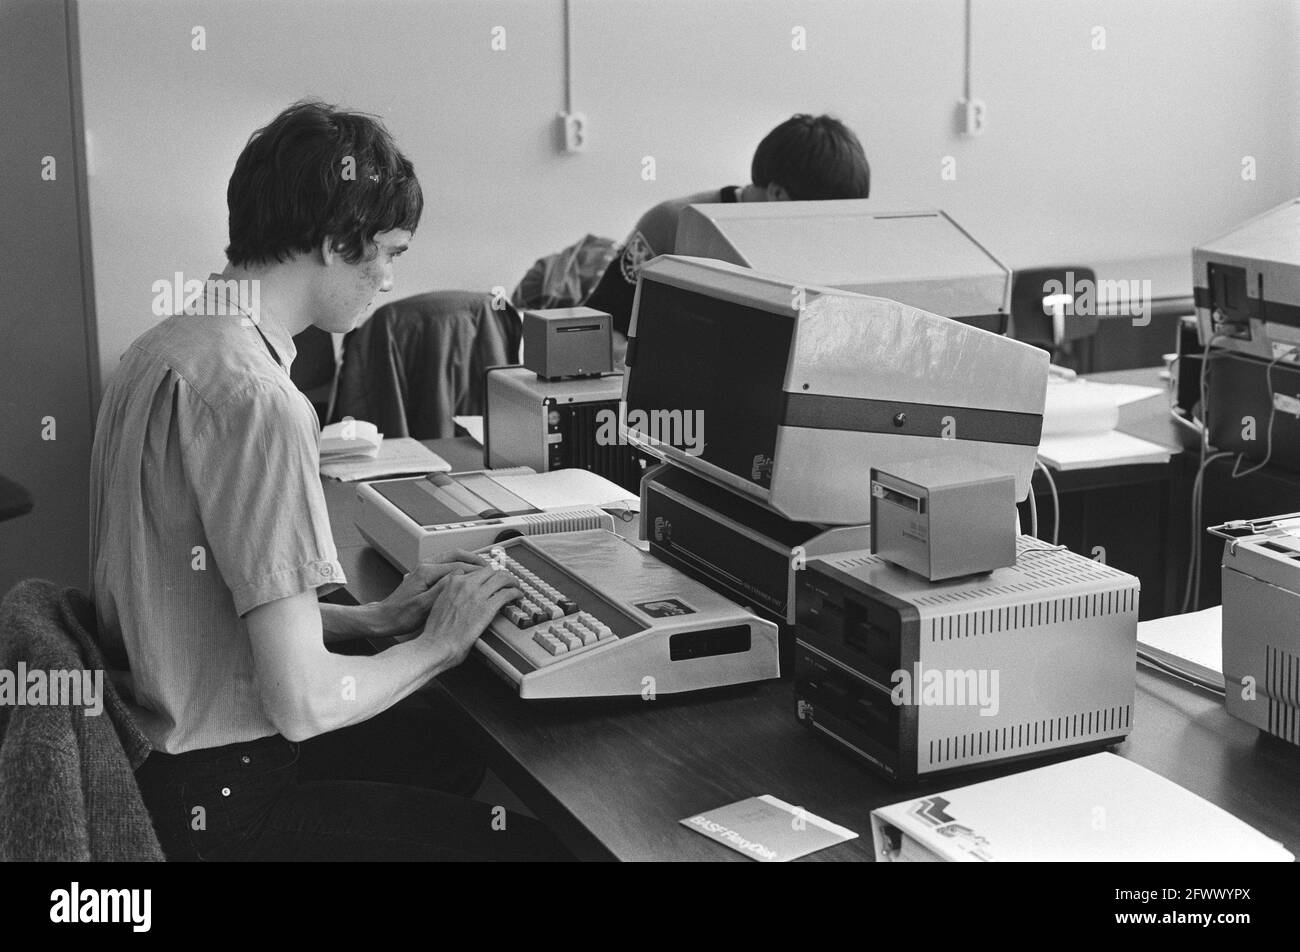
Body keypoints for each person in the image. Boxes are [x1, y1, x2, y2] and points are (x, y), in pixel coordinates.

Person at [89, 100, 568, 861]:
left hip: (151, 761)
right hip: (223, 806)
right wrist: (439, 644)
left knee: (443, 748)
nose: (388, 279)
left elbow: (189, 609)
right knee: (535, 849)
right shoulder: (260, 400)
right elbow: (304, 704)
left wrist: (375, 619)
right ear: (337, 241)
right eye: (390, 252)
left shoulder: (159, 351)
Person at [583, 113, 872, 359]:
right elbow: (601, 329)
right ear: (777, 194)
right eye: (821, 218)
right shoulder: (673, 223)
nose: (825, 234)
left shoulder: (826, 238)